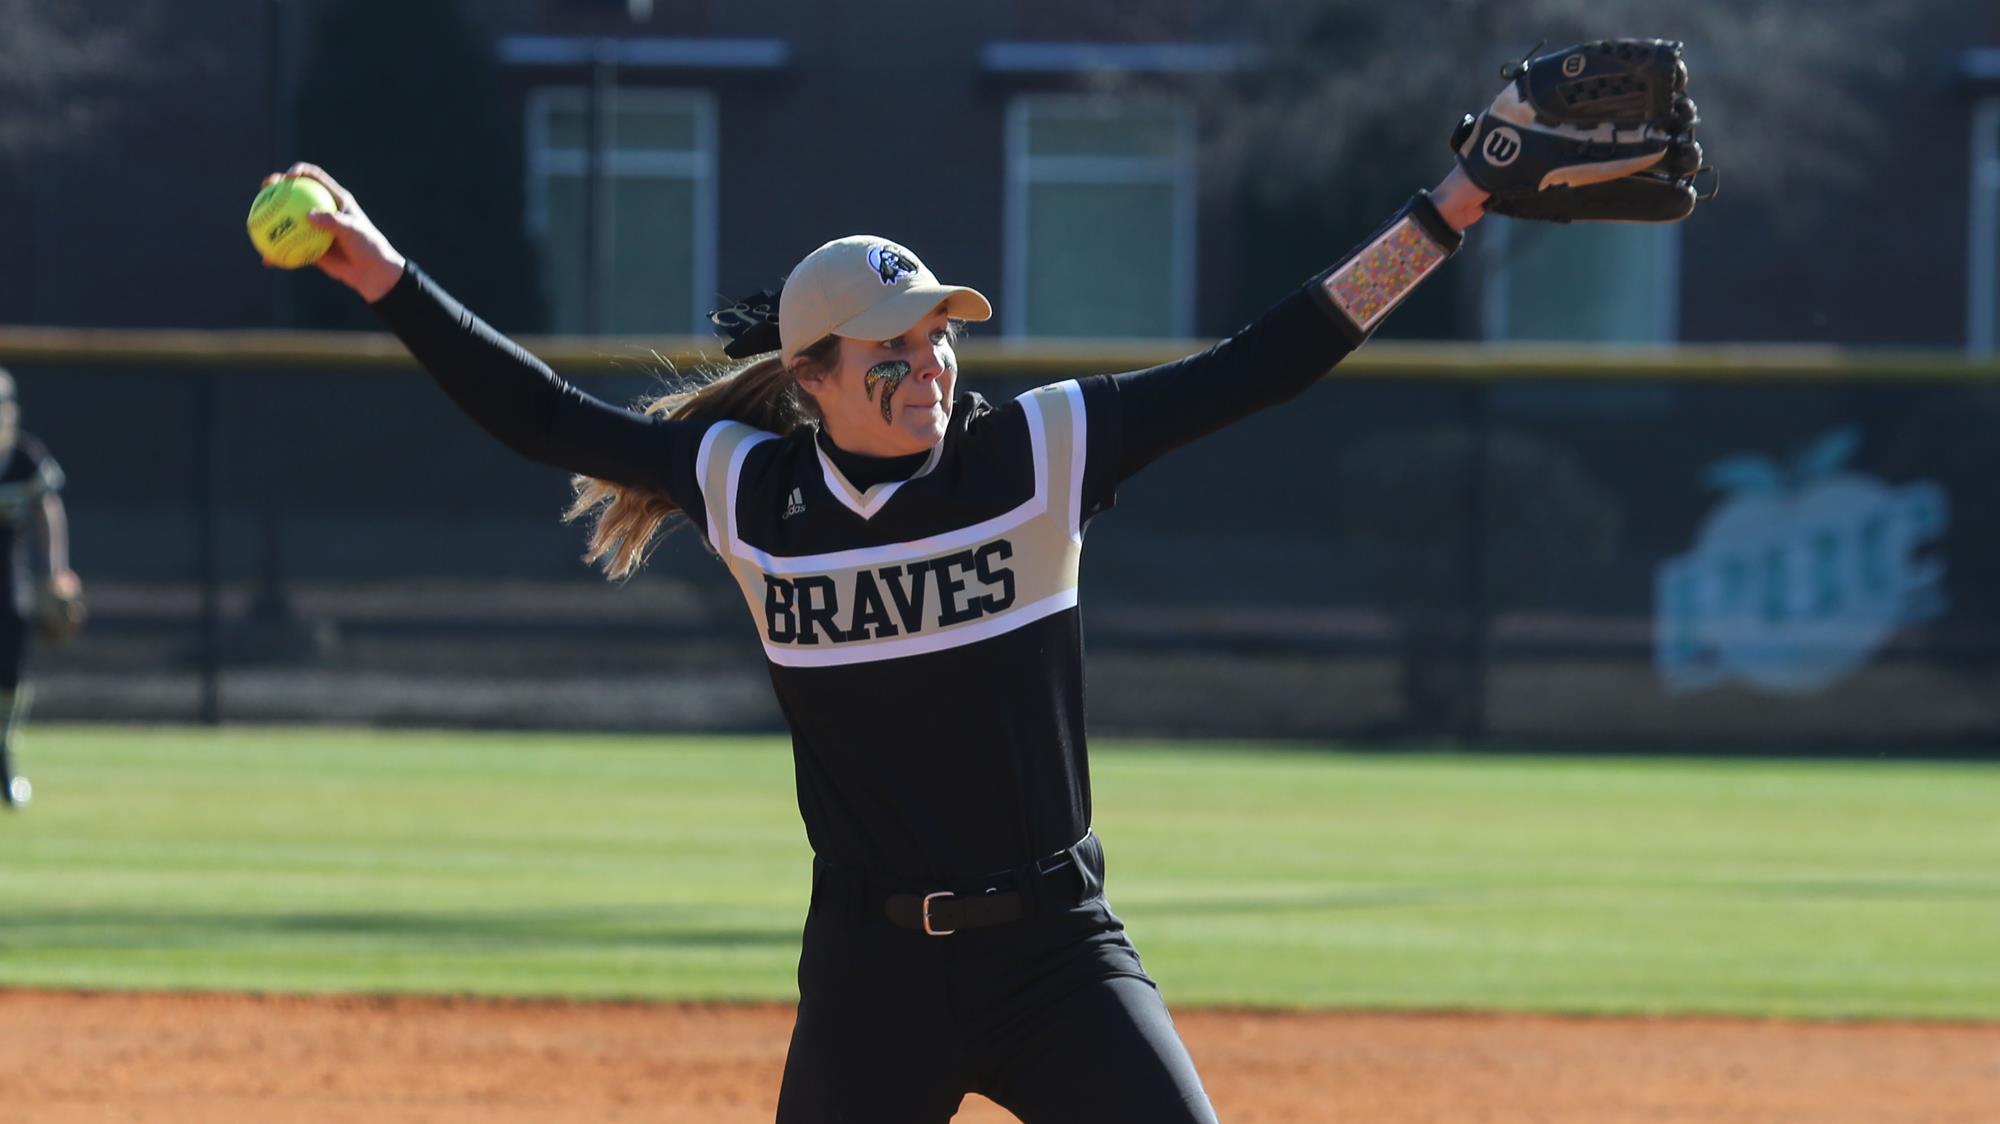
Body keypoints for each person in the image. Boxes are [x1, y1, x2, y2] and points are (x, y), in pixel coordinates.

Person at [264, 38, 1702, 1121]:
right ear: (813, 378)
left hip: (1058, 960)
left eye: (938, 335)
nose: (927, 364)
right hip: (873, 977)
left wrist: (1448, 204)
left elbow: (1273, 357)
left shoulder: (1037, 454)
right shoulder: (748, 494)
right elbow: (545, 419)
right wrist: (388, 278)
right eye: (887, 348)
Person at [0, 367, 83, 810]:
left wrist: (56, 571)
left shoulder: (23, 457)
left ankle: (4, 753)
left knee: (11, 667)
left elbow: (47, 508)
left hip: (6, 571)